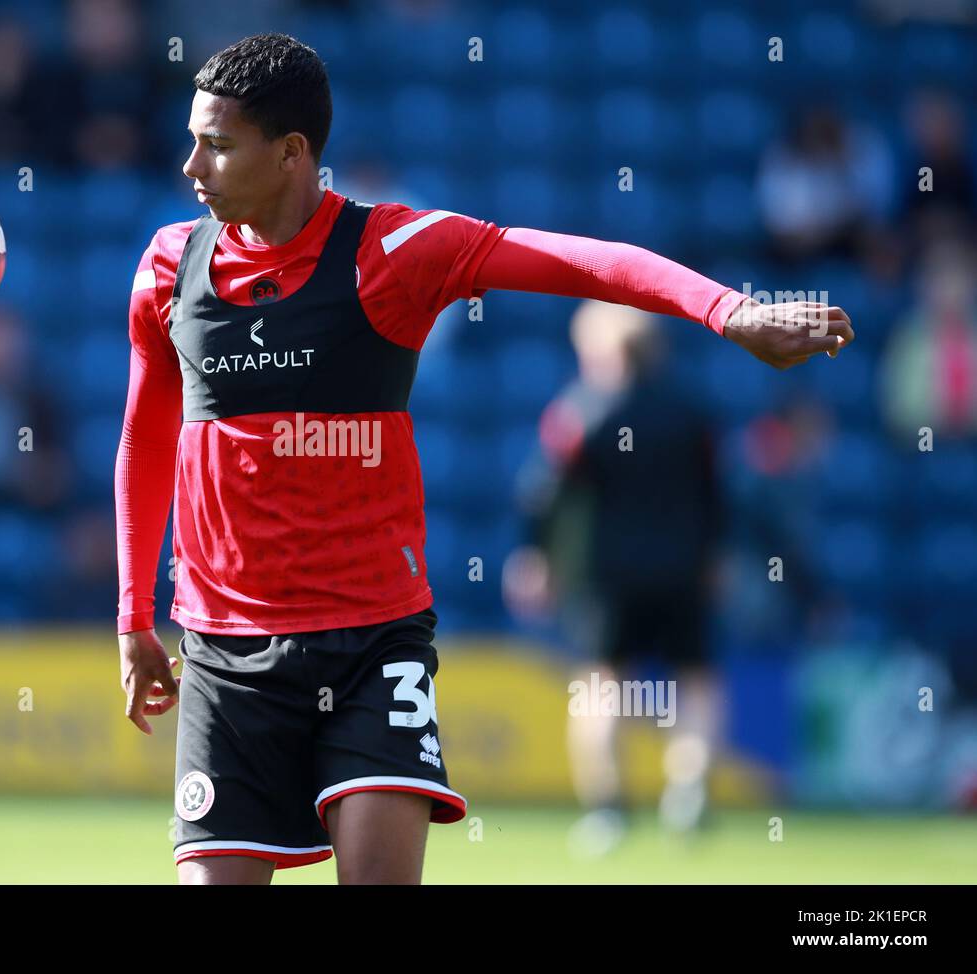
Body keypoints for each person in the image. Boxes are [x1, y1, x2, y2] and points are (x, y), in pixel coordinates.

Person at [115, 33, 854, 886]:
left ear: (291, 154)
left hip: (371, 644)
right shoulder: (168, 266)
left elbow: (588, 262)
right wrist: (137, 615)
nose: (189, 166)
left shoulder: (395, 251)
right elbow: (144, 439)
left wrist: (727, 311)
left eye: (215, 143)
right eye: (192, 139)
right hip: (224, 648)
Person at [504, 303, 725, 854]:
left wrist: (535, 557)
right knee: (695, 681)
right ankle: (688, 787)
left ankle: (607, 810)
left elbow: (542, 492)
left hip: (609, 574)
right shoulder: (691, 412)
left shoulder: (582, 413)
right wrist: (717, 558)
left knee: (602, 685)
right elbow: (718, 493)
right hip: (683, 569)